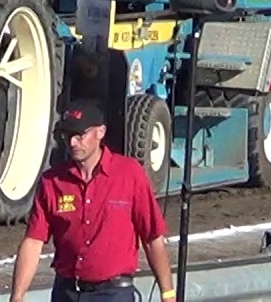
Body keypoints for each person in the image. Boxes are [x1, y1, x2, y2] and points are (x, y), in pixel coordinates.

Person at [9, 100, 177, 302]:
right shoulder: (51, 181)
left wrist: (167, 293)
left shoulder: (129, 174)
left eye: (80, 135)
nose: (72, 143)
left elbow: (152, 238)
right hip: (67, 292)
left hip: (113, 293)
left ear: (100, 132)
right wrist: (17, 296)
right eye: (68, 135)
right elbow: (33, 241)